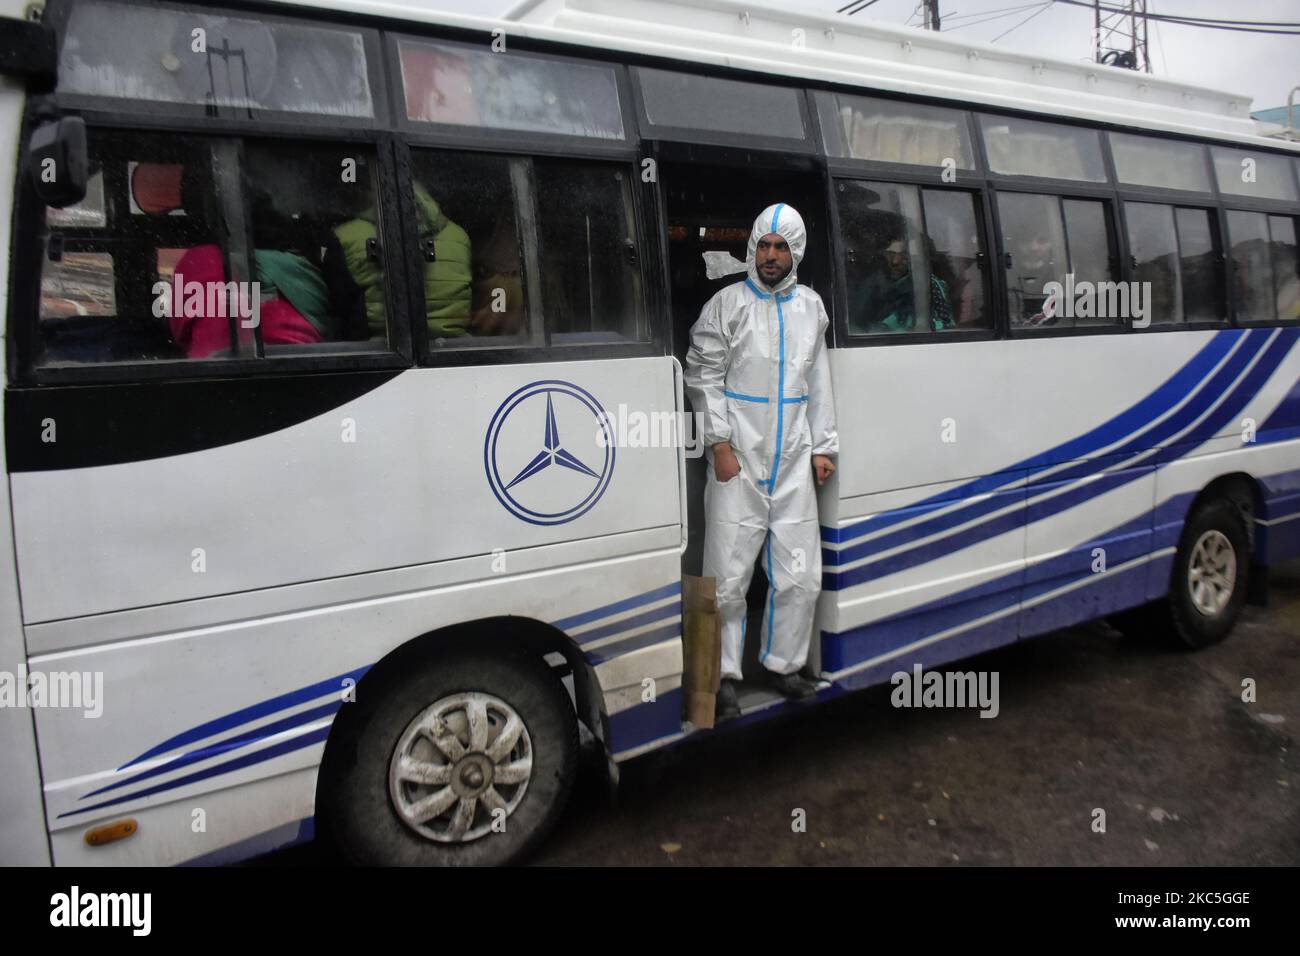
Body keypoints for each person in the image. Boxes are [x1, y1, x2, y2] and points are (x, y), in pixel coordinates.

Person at [685, 203, 838, 721]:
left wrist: (823, 447)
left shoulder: (811, 308)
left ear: (796, 252)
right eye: (765, 247)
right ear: (753, 249)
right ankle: (720, 679)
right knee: (726, 576)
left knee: (799, 574)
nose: (772, 256)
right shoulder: (726, 305)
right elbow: (703, 375)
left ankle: (783, 664)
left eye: (782, 248)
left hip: (794, 456)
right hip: (739, 458)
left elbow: (818, 382)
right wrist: (720, 445)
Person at [334, 182, 473, 341]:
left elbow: (340, 310)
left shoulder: (344, 236)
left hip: (378, 349)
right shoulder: (459, 235)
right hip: (455, 350)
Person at [851, 228, 953, 332]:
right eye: (890, 254)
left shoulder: (930, 286)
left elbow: (945, 327)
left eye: (904, 255)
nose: (895, 261)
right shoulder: (870, 285)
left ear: (918, 258)